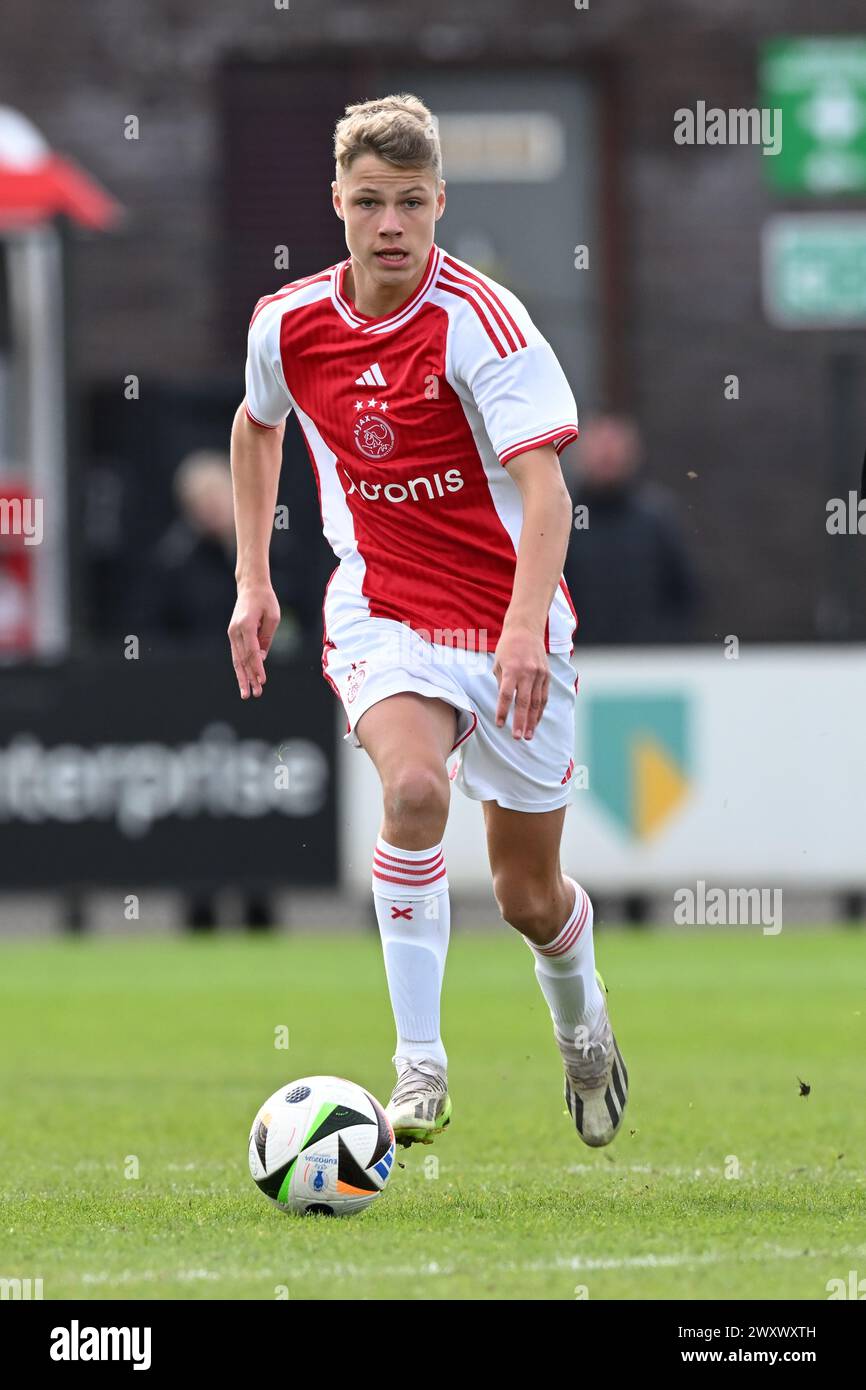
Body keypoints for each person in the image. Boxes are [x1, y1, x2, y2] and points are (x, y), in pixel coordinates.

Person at [227, 94, 628, 1149]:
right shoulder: (289, 323)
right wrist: (253, 578)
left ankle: (581, 1025)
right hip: (383, 612)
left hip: (505, 616)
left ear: (439, 202)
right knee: (410, 791)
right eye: (370, 203)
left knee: (527, 893)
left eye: (411, 202)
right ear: (338, 205)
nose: (391, 224)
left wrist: (523, 628)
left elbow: (546, 492)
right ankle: (418, 1069)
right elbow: (255, 426)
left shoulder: (481, 324)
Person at [562, 416, 700, 645]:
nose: (606, 456)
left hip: (646, 662)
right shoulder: (561, 517)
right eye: (599, 447)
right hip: (579, 661)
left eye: (614, 446)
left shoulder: (657, 518)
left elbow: (685, 593)